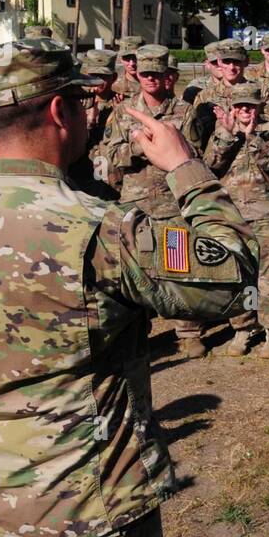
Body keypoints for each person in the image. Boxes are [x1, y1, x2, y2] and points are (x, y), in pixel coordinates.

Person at [0, 43, 258, 537]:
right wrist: (186, 168)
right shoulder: (102, 228)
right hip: (89, 520)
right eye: (82, 102)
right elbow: (234, 275)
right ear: (61, 112)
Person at [96, 45, 208, 356]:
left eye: (156, 74)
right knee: (136, 268)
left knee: (179, 265)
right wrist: (141, 149)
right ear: (138, 75)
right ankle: (138, 330)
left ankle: (187, 332)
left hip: (173, 202)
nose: (151, 79)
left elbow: (192, 156)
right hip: (137, 202)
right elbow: (109, 156)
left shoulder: (184, 112)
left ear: (167, 76)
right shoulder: (124, 112)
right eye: (145, 74)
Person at [204, 83, 269, 358]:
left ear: (258, 107)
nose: (244, 111)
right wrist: (227, 135)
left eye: (249, 106)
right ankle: (243, 327)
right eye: (239, 106)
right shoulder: (223, 130)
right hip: (232, 216)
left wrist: (253, 138)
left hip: (265, 215)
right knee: (237, 276)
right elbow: (211, 165)